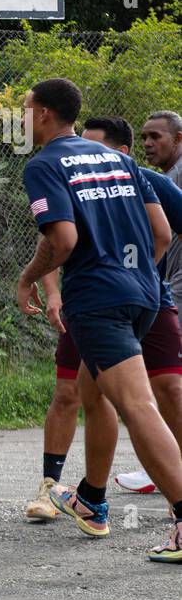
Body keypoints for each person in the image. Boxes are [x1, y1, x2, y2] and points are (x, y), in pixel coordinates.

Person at [17, 79, 182, 561]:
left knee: (137, 406)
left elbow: (63, 241)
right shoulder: (122, 160)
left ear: (45, 114)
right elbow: (162, 230)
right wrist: (134, 276)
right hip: (145, 294)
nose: (23, 118)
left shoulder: (45, 164)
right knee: (91, 392)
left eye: (26, 109)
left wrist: (28, 278)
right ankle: (91, 500)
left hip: (97, 300)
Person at [114, 110, 182, 493]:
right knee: (166, 383)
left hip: (171, 284)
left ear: (179, 138)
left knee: (168, 383)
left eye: (156, 136)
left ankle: (166, 467)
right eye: (144, 138)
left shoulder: (165, 180)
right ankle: (163, 464)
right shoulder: (159, 177)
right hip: (166, 282)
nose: (149, 144)